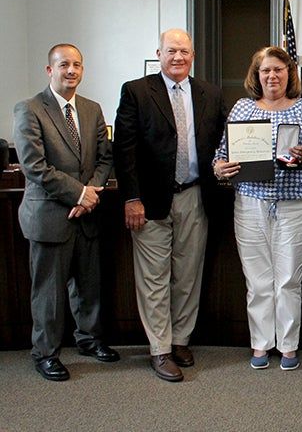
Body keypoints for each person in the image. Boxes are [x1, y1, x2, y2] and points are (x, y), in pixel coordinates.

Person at [113, 28, 226, 382]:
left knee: (188, 274)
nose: (178, 57)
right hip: (149, 200)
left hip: (195, 194)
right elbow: (124, 149)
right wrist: (131, 197)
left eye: (185, 52)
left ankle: (180, 339)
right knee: (154, 278)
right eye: (172, 51)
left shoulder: (210, 92)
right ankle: (160, 349)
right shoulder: (136, 91)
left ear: (193, 56)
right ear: (159, 53)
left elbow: (223, 142)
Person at [213, 46, 302, 371]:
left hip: (296, 203)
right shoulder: (242, 108)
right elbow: (221, 153)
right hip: (250, 202)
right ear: (256, 76)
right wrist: (220, 167)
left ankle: (288, 346)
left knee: (288, 278)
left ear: (289, 74)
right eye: (266, 71)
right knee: (258, 280)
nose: (272, 76)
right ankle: (261, 344)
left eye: (279, 69)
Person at [13, 43, 117, 381]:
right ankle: (45, 354)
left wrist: (91, 193)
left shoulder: (91, 109)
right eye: (63, 65)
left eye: (76, 65)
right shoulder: (29, 109)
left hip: (87, 214)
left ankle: (88, 340)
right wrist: (79, 194)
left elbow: (105, 158)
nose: (70, 70)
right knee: (49, 292)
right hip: (49, 215)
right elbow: (35, 167)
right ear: (50, 70)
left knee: (88, 286)